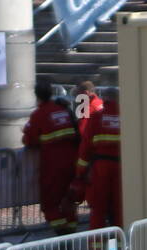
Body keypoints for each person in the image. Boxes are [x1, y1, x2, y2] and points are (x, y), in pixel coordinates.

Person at [22, 82, 80, 235]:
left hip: (53, 165)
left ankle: (62, 236)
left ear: (37, 96)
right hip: (72, 162)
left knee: (50, 204)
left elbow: (29, 140)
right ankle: (71, 234)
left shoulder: (39, 114)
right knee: (69, 201)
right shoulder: (63, 109)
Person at [72, 86, 122, 233]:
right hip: (122, 167)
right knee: (119, 207)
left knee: (98, 207)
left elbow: (85, 146)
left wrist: (80, 172)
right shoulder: (127, 116)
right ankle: (120, 247)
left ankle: (96, 248)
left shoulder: (97, 117)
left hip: (101, 167)